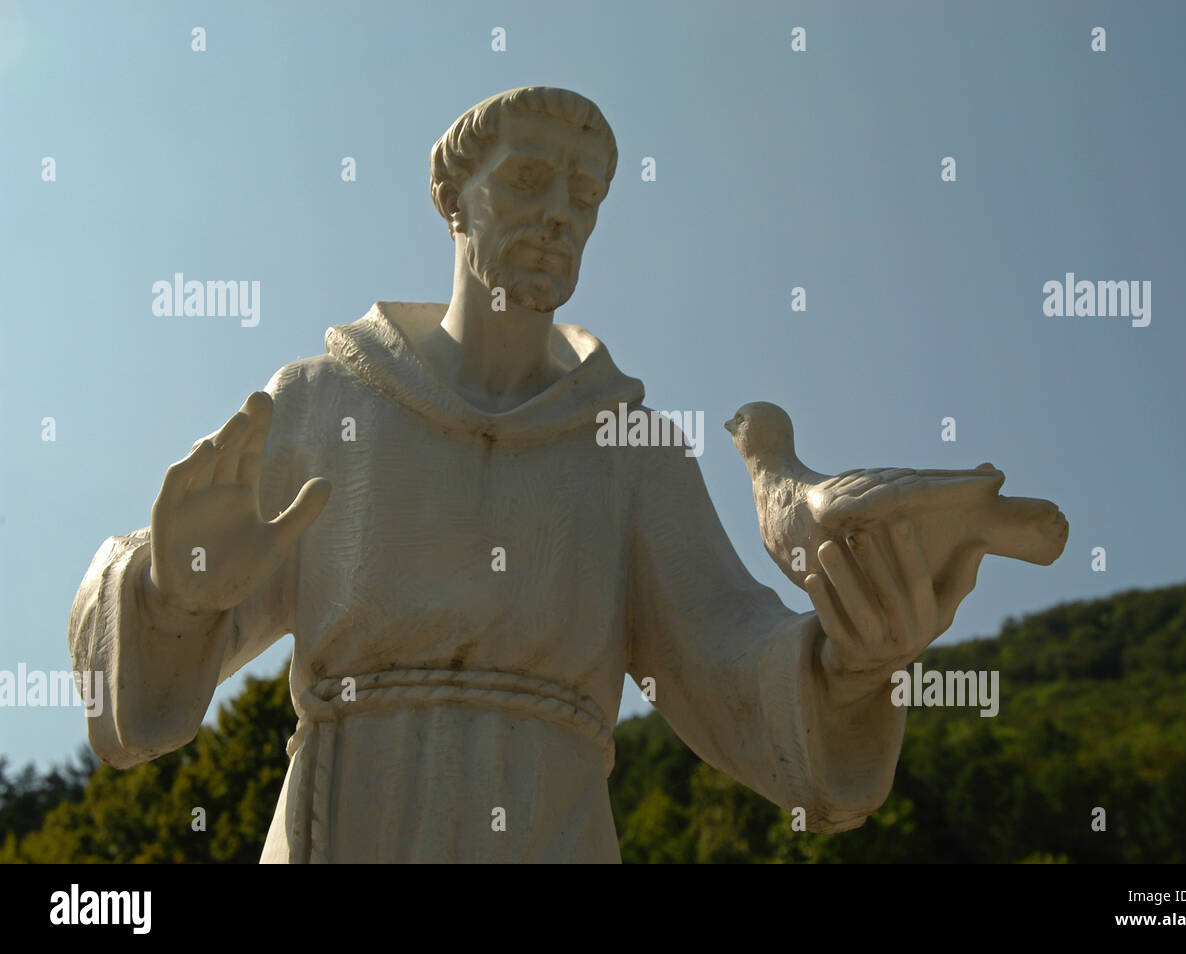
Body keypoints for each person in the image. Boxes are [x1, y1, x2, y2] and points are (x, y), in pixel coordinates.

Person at [68, 86, 982, 862]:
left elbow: (731, 662)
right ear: (453, 198)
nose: (560, 215)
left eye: (585, 196)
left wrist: (851, 667)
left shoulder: (630, 449)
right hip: (348, 820)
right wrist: (171, 592)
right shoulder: (325, 401)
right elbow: (140, 706)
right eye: (531, 179)